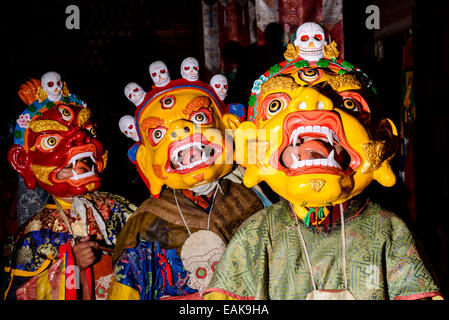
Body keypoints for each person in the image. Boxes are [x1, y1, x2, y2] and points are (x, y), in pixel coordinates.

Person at [203, 22, 443, 300]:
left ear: (384, 142)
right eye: (276, 106)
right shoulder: (257, 233)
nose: (312, 100)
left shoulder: (388, 230)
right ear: (249, 146)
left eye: (349, 104)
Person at [107, 59, 266, 300]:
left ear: (231, 129)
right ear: (145, 162)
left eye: (200, 118)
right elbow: (128, 288)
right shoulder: (150, 223)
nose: (181, 130)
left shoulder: (258, 201)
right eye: (158, 134)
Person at [5, 73, 135, 300]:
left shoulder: (117, 208)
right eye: (52, 141)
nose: (81, 139)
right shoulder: (36, 233)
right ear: (23, 161)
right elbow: (20, 294)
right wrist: (72, 265)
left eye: (90, 131)